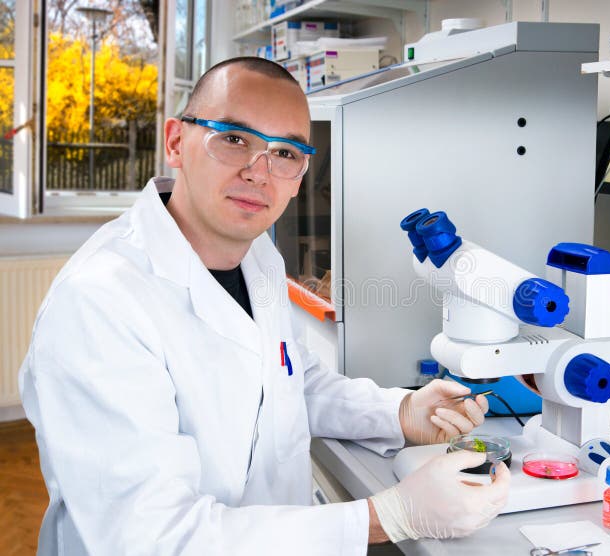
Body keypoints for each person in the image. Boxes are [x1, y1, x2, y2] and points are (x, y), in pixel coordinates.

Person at [19, 57, 509, 555]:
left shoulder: (258, 255)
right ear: (175, 142)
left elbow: (287, 378)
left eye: (285, 152)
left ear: (300, 175)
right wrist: (387, 517)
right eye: (234, 139)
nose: (259, 172)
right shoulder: (99, 301)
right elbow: (148, 538)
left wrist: (399, 411)